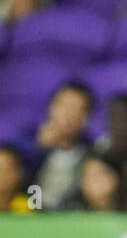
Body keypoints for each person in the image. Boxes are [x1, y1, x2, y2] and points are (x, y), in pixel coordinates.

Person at [32, 79, 93, 210]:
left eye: (77, 109)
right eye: (65, 106)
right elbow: (30, 187)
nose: (69, 114)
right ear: (51, 108)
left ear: (86, 118)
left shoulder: (92, 157)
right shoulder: (29, 150)